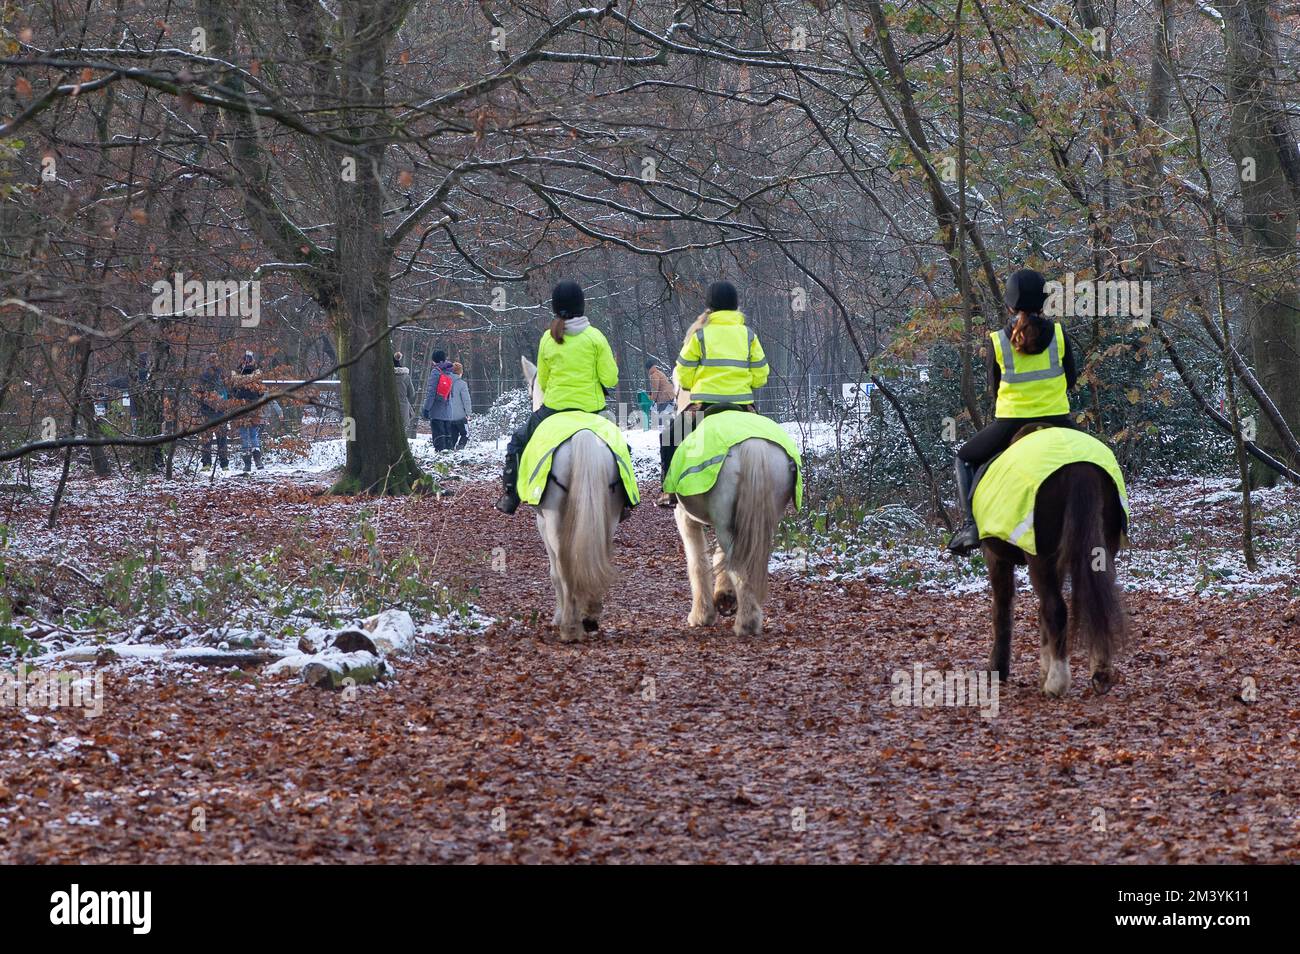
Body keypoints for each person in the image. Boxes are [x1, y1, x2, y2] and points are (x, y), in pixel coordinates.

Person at [947, 268, 1080, 554]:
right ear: (1045, 303)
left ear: (1009, 304)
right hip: (1058, 419)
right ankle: (1118, 520)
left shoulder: (998, 340)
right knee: (1101, 458)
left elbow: (994, 390)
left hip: (1011, 422)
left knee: (964, 459)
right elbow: (1072, 379)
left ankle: (970, 526)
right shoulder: (1058, 334)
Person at [495, 280, 618, 514]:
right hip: (592, 412)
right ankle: (626, 499)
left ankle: (511, 495)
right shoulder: (596, 337)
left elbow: (542, 380)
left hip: (553, 411)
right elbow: (610, 379)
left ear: (555, 307)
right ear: (582, 306)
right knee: (622, 447)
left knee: (517, 442)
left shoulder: (548, 338)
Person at [658, 280, 769, 506]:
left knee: (669, 438)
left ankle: (669, 491)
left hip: (704, 407)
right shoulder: (749, 336)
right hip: (743, 406)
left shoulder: (700, 336)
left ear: (710, 307)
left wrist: (691, 384)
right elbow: (761, 375)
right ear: (736, 305)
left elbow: (683, 372)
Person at [230, 350, 265, 472]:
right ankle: (247, 464)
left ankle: (257, 460)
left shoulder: (257, 372)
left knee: (253, 434)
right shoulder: (236, 372)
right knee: (244, 435)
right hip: (240, 407)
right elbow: (233, 388)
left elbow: (261, 391)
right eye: (246, 359)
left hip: (253, 406)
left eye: (249, 359)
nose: (247, 361)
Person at [195, 353, 229, 471]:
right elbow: (199, 393)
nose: (214, 362)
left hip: (218, 411)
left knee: (220, 439)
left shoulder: (221, 375)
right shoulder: (205, 376)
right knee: (209, 439)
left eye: (215, 360)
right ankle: (209, 464)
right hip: (208, 411)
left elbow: (228, 390)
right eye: (212, 360)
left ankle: (223, 464)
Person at [394, 351, 417, 439]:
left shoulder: (386, 376)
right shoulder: (406, 377)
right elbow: (412, 394)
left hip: (387, 407)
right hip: (403, 406)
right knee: (401, 432)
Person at [450, 361, 471, 449]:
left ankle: (450, 448)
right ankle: (460, 447)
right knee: (465, 433)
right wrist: (468, 413)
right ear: (460, 372)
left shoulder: (446, 382)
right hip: (460, 416)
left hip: (448, 415)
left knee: (453, 434)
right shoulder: (462, 384)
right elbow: (466, 400)